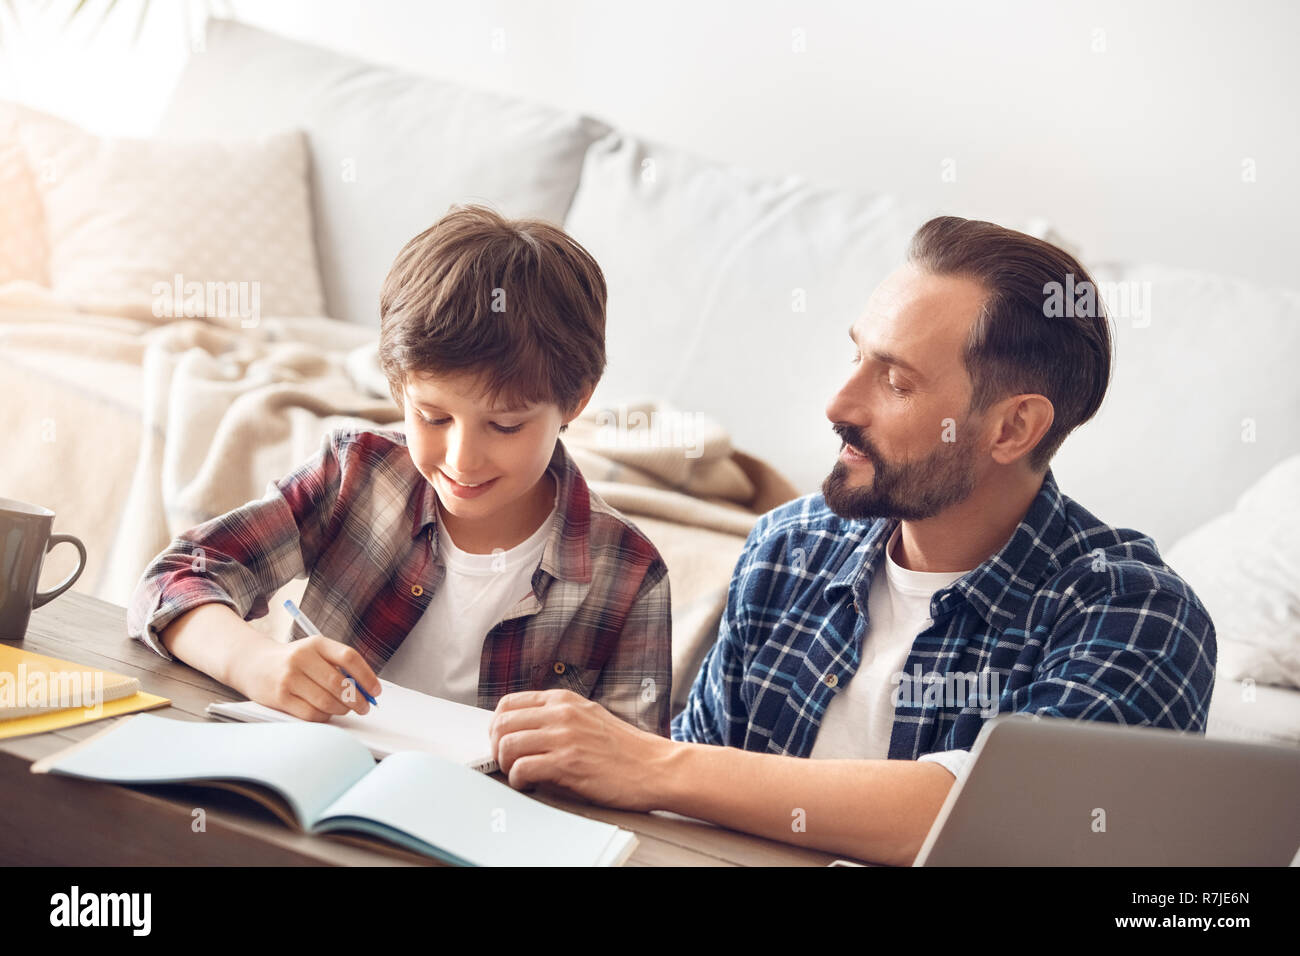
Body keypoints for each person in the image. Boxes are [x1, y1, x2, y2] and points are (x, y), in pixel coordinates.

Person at [486, 215, 1217, 865]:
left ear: (1013, 428)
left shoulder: (1135, 613)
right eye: (857, 355)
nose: (839, 403)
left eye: (896, 381)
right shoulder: (787, 549)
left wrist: (651, 764)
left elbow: (1013, 823)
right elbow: (682, 804)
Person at [126, 205, 672, 736]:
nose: (462, 458)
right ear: (397, 386)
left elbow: (633, 766)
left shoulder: (630, 575)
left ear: (575, 402)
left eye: (505, 427)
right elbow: (174, 580)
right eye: (432, 417)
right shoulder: (356, 475)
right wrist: (255, 663)